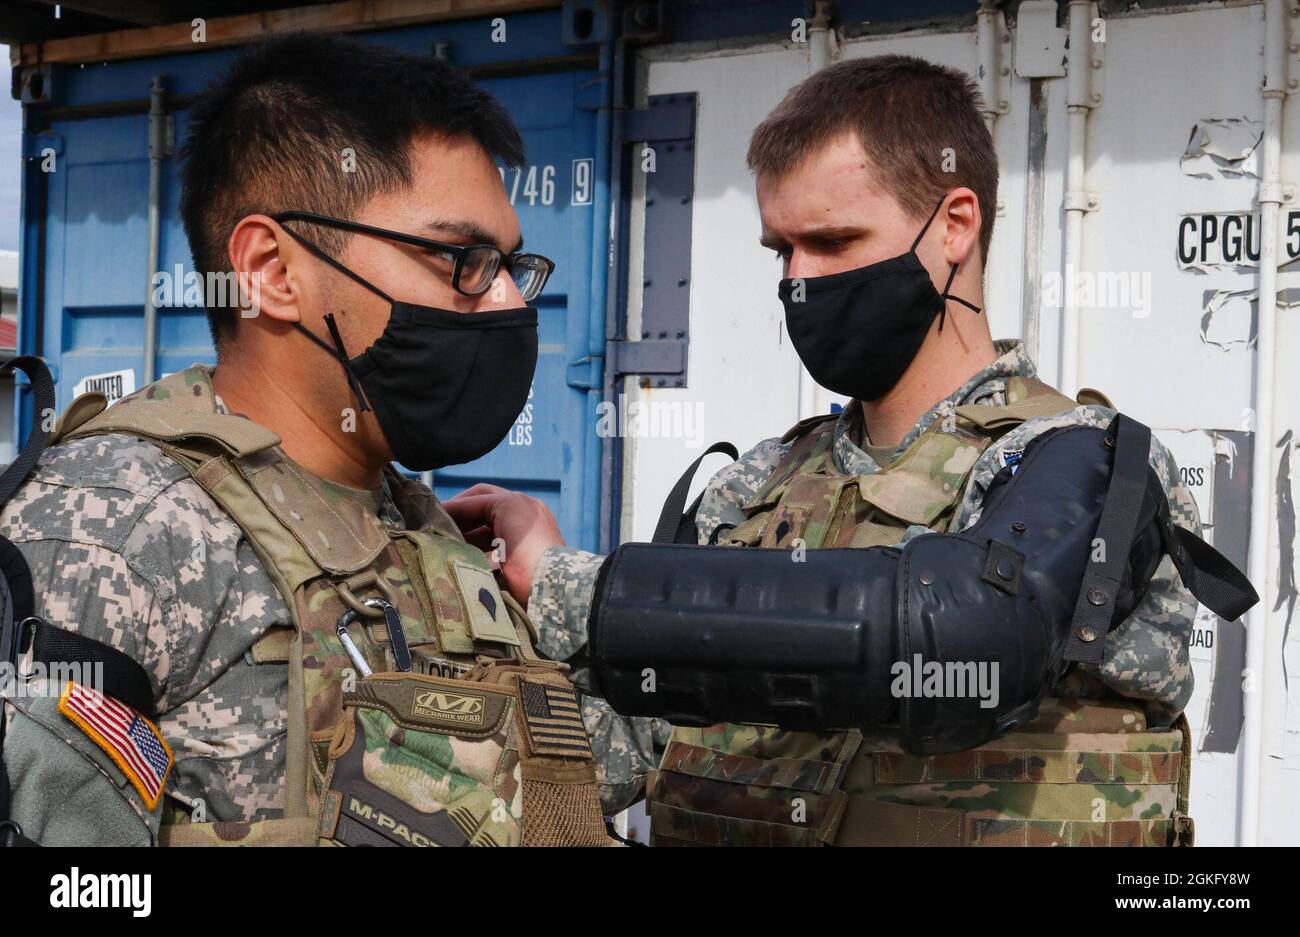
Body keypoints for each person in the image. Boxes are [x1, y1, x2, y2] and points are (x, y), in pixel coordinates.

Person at [446, 55, 1253, 846]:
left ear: (954, 227)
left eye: (833, 241)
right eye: (780, 251)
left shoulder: (1087, 466)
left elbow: (969, 636)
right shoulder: (752, 489)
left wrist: (567, 586)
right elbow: (618, 750)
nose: (799, 280)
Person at [0, 33, 612, 847]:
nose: (504, 303)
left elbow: (589, 786)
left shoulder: (429, 531)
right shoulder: (117, 532)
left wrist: (569, 594)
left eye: (507, 264)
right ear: (274, 271)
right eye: (461, 258)